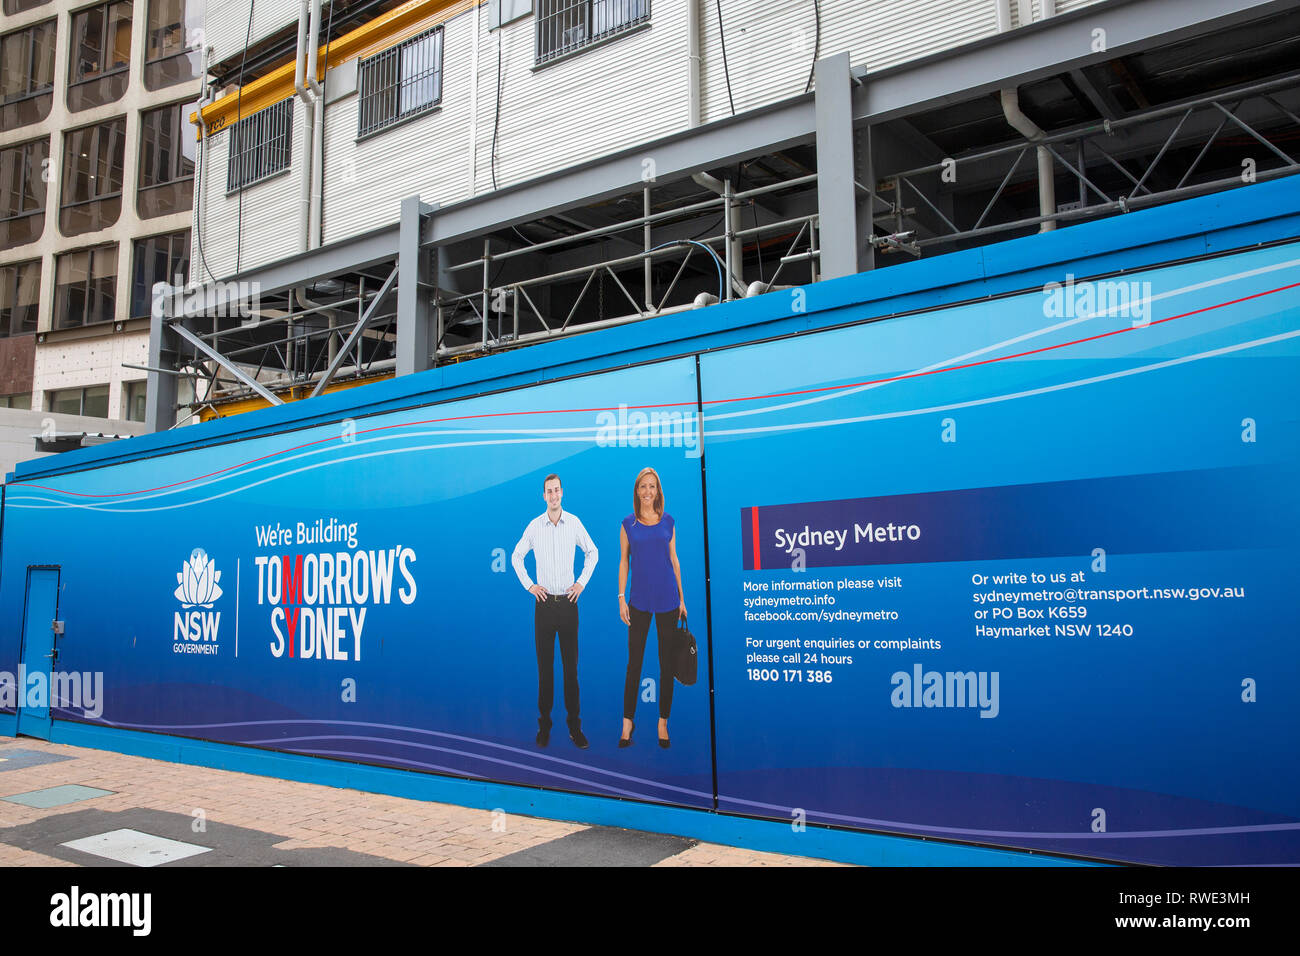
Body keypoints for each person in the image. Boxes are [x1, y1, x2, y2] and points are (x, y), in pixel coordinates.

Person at [512, 473, 598, 749]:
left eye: (557, 490)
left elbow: (593, 552)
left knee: (571, 671)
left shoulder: (573, 523)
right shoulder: (535, 527)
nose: (553, 495)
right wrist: (530, 585)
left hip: (569, 605)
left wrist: (581, 583)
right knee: (545, 671)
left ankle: (575, 727)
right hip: (544, 606)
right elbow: (516, 556)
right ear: (543, 496)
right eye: (548, 491)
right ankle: (544, 727)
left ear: (562, 493)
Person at [617, 466, 687, 749]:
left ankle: (662, 722)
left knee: (666, 664)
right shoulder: (627, 525)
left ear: (658, 491)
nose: (647, 491)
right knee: (634, 664)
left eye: (652, 486)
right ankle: (627, 722)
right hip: (639, 602)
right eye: (643, 486)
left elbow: (674, 560)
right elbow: (624, 561)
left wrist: (682, 599)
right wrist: (621, 597)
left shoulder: (669, 522)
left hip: (668, 600)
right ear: (636, 491)